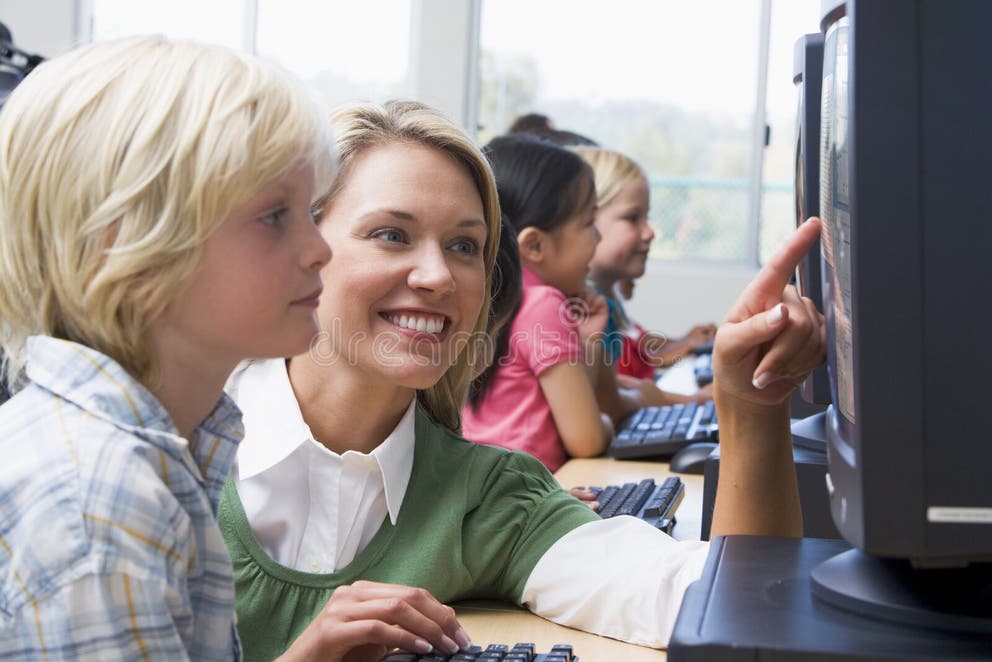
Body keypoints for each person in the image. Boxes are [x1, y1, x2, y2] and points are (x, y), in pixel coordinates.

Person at [217, 99, 825, 659]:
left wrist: (751, 404)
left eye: (464, 246)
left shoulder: (488, 498)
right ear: (304, 249)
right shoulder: (180, 452)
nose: (437, 275)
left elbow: (736, 608)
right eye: (391, 235)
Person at [0, 36, 342, 659]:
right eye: (275, 216)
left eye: (312, 211)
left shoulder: (140, 448)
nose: (321, 249)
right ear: (128, 246)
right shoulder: (99, 503)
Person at [575, 146, 718, 389]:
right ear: (583, 220)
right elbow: (613, 391)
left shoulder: (610, 298)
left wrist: (686, 341)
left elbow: (637, 349)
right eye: (632, 218)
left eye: (646, 217)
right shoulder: (582, 313)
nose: (650, 232)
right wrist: (694, 400)